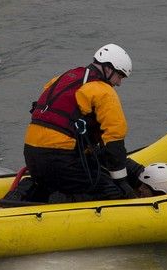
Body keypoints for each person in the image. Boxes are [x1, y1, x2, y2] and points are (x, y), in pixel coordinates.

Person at [22, 44, 145, 203]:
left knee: (89, 168)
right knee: (112, 193)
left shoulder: (63, 78)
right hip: (61, 160)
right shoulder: (104, 91)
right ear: (108, 69)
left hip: (31, 155)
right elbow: (114, 141)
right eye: (120, 76)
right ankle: (57, 200)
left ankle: (29, 190)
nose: (119, 83)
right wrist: (121, 182)